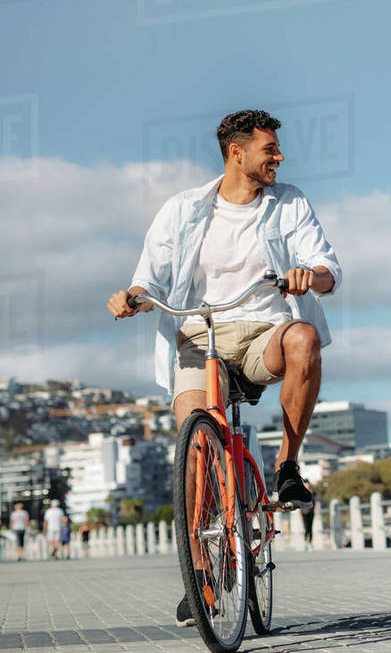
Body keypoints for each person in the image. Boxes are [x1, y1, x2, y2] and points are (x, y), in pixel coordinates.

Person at [107, 109, 342, 627]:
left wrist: (311, 276)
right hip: (200, 336)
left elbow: (328, 267)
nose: (279, 157)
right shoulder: (183, 209)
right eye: (269, 149)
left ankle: (287, 467)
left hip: (264, 333)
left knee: (304, 337)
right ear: (237, 153)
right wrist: (132, 297)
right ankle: (201, 580)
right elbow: (150, 277)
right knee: (194, 450)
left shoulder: (290, 202)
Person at [300, 479, 316, 550]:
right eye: (306, 483)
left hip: (311, 512)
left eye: (307, 483)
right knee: (306, 528)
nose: (307, 484)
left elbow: (314, 502)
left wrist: (316, 511)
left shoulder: (312, 492)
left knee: (310, 528)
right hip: (304, 512)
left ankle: (310, 543)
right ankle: (306, 542)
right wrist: (300, 515)